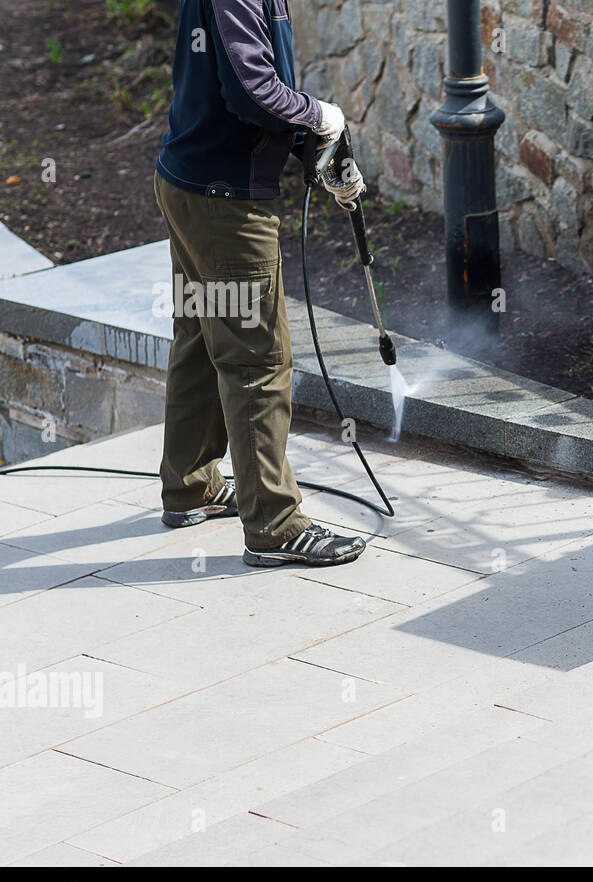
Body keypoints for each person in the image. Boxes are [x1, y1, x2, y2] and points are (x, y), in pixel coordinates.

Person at [153, 0, 367, 566]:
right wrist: (320, 115)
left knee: (201, 333)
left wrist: (313, 148)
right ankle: (274, 526)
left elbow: (246, 92)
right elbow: (250, 91)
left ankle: (190, 486)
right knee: (257, 360)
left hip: (192, 183)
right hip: (225, 203)